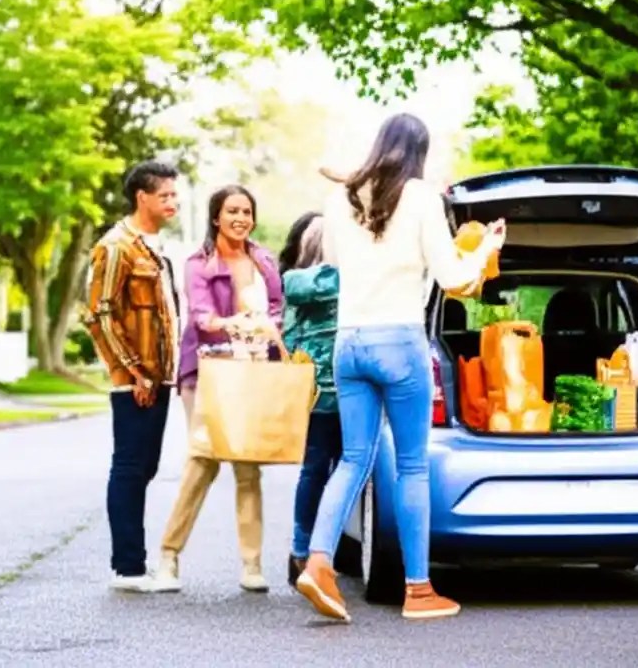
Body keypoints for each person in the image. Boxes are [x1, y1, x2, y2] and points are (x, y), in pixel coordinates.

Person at [295, 113, 506, 622]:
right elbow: (454, 279)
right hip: (399, 342)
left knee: (353, 460)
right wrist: (488, 250)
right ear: (420, 152)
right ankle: (418, 589)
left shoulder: (339, 199)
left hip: (350, 344)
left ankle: (318, 562)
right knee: (412, 465)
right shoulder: (420, 196)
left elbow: (342, 264)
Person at [154, 185, 284, 593]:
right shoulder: (199, 264)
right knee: (202, 462)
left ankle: (252, 564)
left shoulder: (262, 260)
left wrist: (269, 329)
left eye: (246, 211)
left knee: (248, 466)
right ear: (216, 217)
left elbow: (277, 307)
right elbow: (202, 315)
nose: (240, 218)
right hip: (208, 372)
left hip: (253, 370)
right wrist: (238, 324)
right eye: (232, 211)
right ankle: (168, 557)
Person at [83, 160, 181, 592]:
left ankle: (132, 564)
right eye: (166, 196)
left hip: (157, 377)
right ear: (143, 197)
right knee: (128, 467)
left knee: (144, 467)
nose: (173, 202)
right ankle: (128, 568)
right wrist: (135, 372)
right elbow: (98, 315)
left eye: (175, 195)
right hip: (135, 379)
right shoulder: (117, 246)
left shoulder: (153, 248)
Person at [279, 213, 344, 587]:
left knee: (327, 470)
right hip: (328, 392)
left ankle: (311, 550)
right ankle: (307, 551)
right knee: (325, 469)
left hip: (328, 391)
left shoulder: (300, 283)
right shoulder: (313, 282)